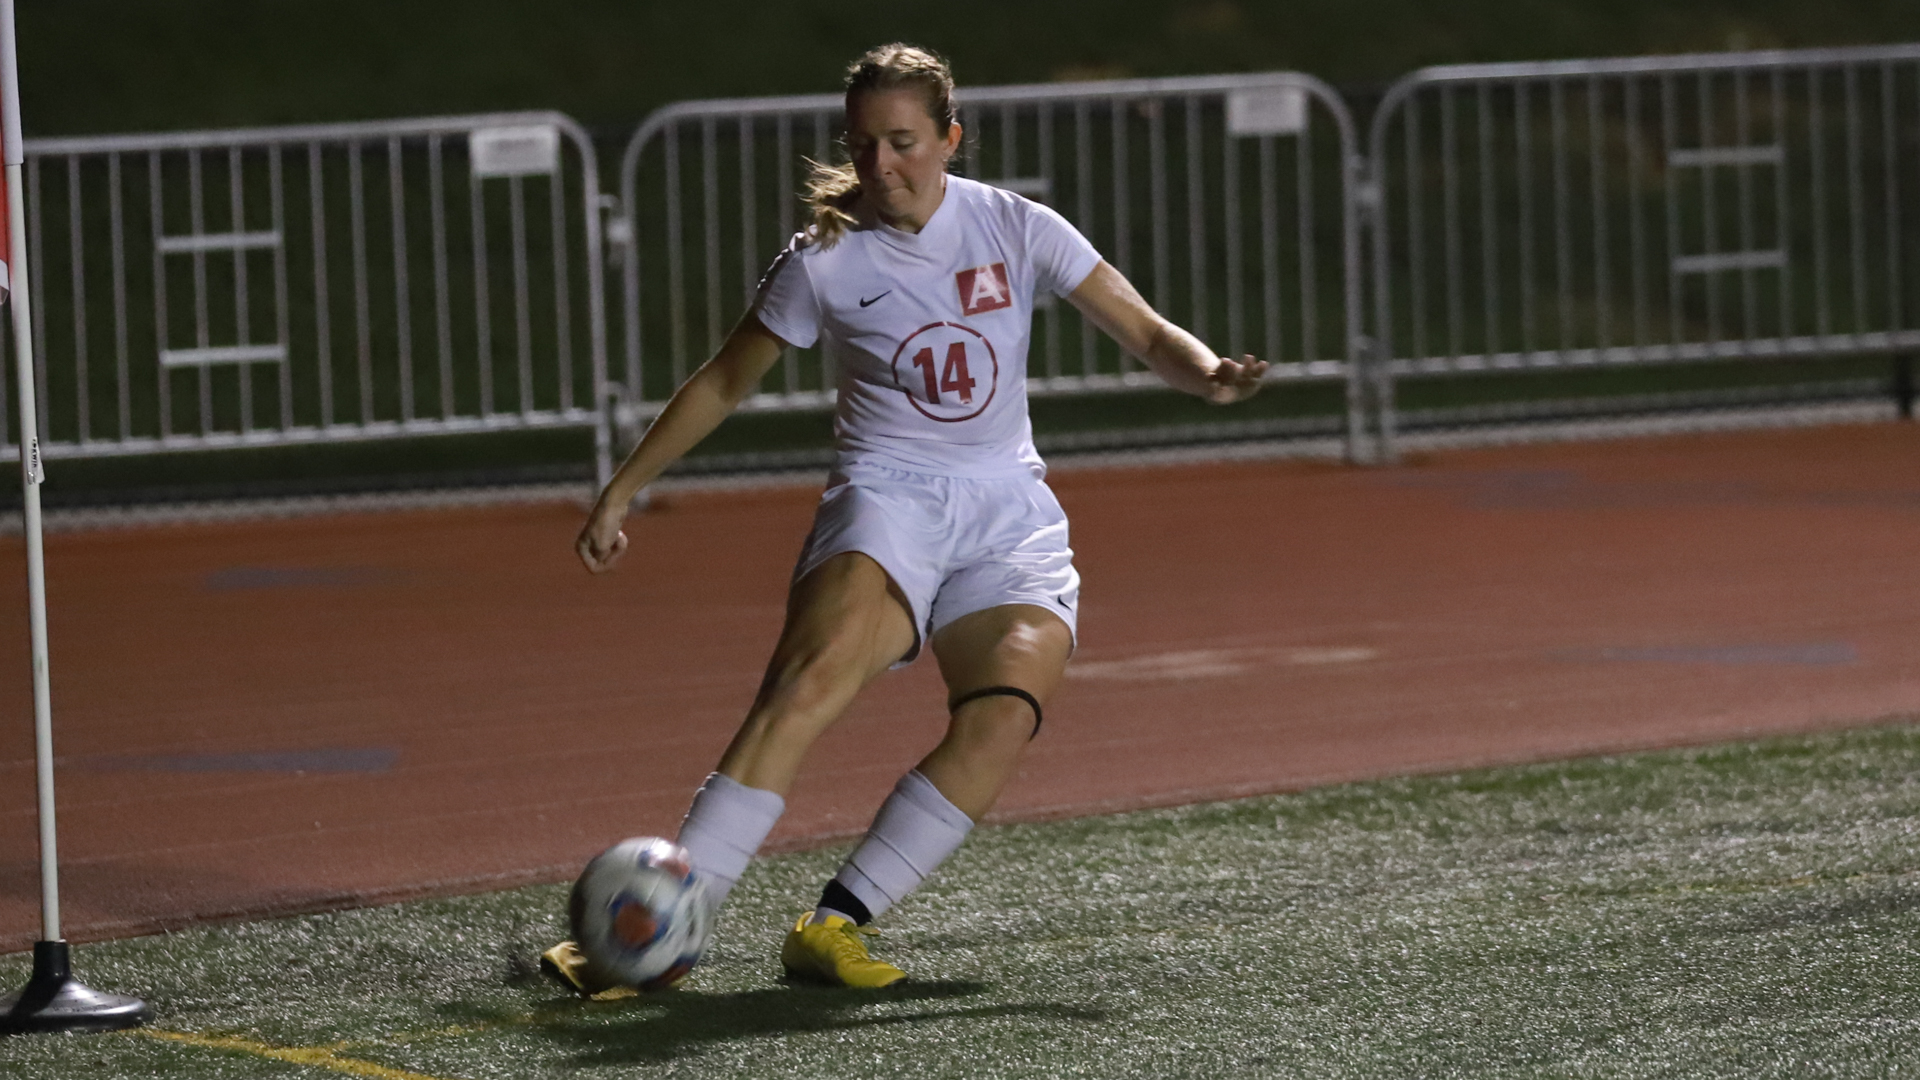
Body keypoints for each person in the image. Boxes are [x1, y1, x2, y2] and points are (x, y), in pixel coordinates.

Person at [544, 42, 1268, 992]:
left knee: (1006, 713)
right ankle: (675, 917)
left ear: (950, 139)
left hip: (1008, 513)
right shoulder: (824, 262)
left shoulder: (1016, 226)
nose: (883, 165)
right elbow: (725, 379)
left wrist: (1208, 373)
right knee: (809, 684)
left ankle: (832, 926)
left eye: (903, 142)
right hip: (888, 499)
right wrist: (623, 487)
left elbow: (1143, 331)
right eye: (864, 144)